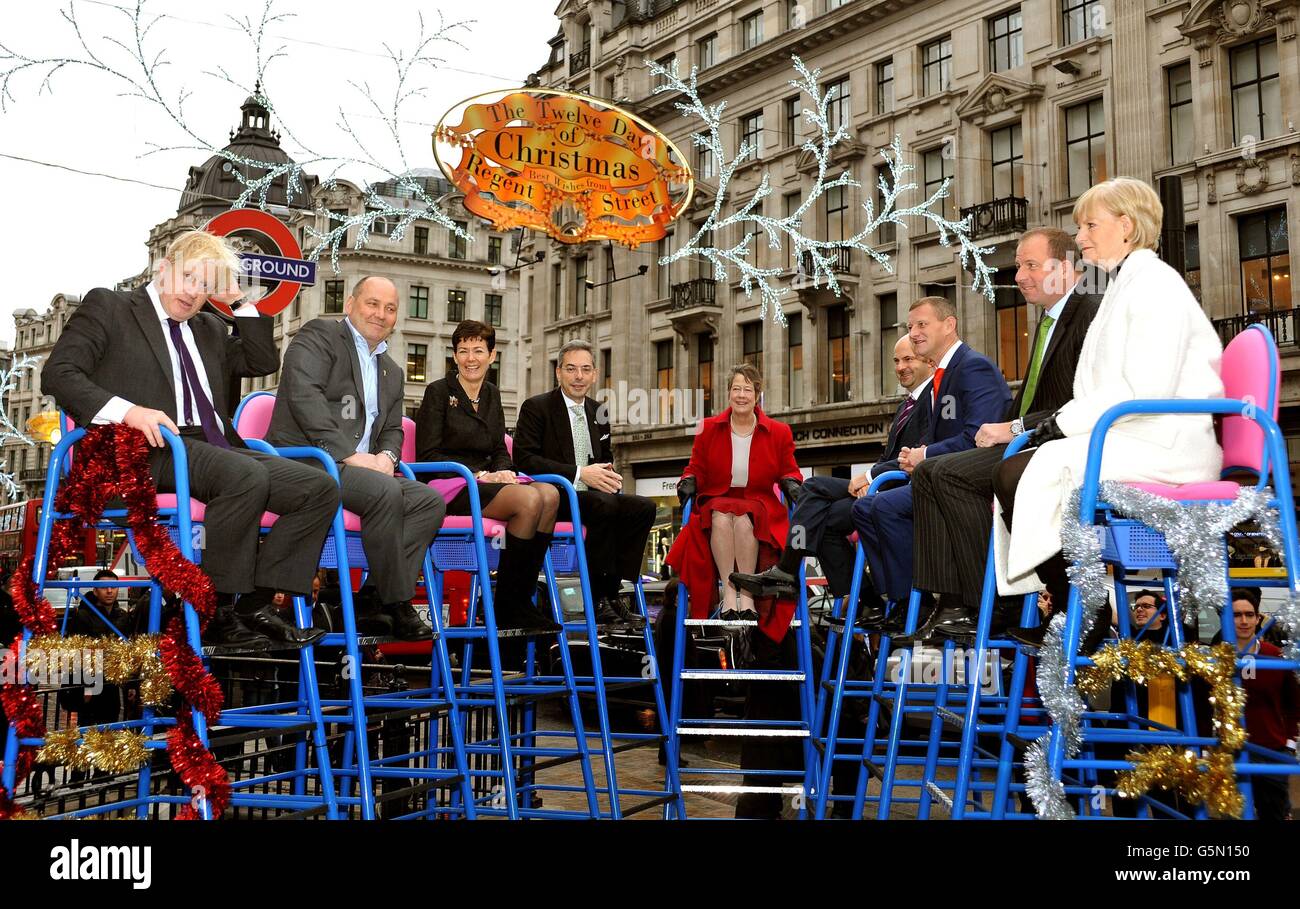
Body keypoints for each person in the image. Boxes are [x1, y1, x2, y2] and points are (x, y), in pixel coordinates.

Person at [42, 230, 334, 650]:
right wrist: (129, 411)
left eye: (206, 286)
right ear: (163, 269)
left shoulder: (210, 327)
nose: (195, 293)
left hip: (216, 447)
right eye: (189, 278)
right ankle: (214, 610)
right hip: (147, 446)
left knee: (319, 487)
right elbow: (60, 373)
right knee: (244, 475)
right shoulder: (111, 306)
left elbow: (262, 360)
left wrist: (237, 299)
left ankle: (254, 603)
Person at [990, 178, 1224, 647]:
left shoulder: (1154, 284)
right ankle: (1074, 602)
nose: (1080, 238)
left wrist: (1061, 424)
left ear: (1127, 225)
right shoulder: (1124, 284)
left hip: (1164, 439)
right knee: (1014, 471)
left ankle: (1082, 608)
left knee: (1017, 473)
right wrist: (1062, 426)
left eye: (1090, 225)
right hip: (1134, 431)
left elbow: (1144, 385)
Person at [906, 228, 1102, 643]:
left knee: (948, 474)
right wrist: (1004, 429)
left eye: (1030, 265)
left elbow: (1089, 400)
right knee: (930, 473)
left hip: (1062, 443)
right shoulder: (1049, 321)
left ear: (1064, 268)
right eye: (1018, 266)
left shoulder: (1091, 313)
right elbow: (1032, 399)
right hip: (1031, 440)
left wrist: (1012, 428)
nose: (1019, 275)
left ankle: (992, 603)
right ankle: (954, 603)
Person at [268, 275, 445, 640]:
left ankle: (372, 597)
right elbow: (305, 397)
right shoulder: (319, 336)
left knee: (428, 500)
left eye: (390, 308)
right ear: (351, 304)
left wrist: (387, 457)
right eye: (372, 303)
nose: (380, 314)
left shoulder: (392, 372)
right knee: (385, 492)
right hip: (308, 462)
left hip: (363, 473)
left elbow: (394, 428)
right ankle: (397, 603)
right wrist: (350, 455)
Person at [729, 335, 933, 620]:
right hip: (883, 484)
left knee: (814, 489)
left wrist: (871, 477)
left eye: (908, 359)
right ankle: (864, 595)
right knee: (818, 508)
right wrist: (871, 479)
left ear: (928, 359)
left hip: (901, 489)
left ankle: (788, 570)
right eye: (897, 361)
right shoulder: (905, 406)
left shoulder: (933, 399)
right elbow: (890, 456)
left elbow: (920, 456)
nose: (900, 367)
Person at [852, 296, 1012, 644]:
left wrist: (925, 454)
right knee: (865, 508)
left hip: (971, 478)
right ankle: (909, 600)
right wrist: (917, 455)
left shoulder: (972, 367)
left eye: (922, 325)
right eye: (910, 327)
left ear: (949, 325)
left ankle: (947, 601)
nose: (915, 332)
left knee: (883, 506)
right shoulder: (942, 375)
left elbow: (978, 437)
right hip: (938, 473)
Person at [416, 320, 561, 632]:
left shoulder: (492, 394)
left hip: (485, 483)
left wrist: (504, 471)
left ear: (492, 355)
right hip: (449, 483)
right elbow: (427, 455)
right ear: (454, 356)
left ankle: (521, 598)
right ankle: (507, 603)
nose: (471, 358)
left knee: (550, 494)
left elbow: (498, 447)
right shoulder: (438, 393)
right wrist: (478, 473)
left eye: (478, 351)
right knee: (527, 500)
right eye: (464, 351)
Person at [513, 339, 655, 630]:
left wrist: (608, 474)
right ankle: (599, 597)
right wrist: (579, 474)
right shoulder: (536, 408)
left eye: (585, 370)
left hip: (592, 496)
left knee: (643, 507)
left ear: (594, 374)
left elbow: (605, 458)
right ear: (558, 372)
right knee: (603, 505)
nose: (578, 376)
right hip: (553, 495)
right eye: (571, 369)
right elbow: (524, 459)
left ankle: (613, 592)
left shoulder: (598, 411)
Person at [667, 364, 802, 628]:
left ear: (757, 394)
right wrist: (688, 479)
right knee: (720, 514)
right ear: (728, 393)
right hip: (717, 500)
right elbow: (695, 467)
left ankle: (747, 596)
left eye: (747, 389)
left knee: (742, 518)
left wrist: (792, 483)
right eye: (736, 389)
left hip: (759, 502)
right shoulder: (707, 428)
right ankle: (730, 594)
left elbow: (789, 469)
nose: (741, 395)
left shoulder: (779, 431)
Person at [1225, 587, 1299, 820]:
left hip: (1271, 749)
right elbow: (1202, 705)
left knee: (1274, 812)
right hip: (1229, 749)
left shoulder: (1276, 656)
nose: (1244, 621)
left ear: (1258, 619)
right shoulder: (1215, 658)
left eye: (1249, 615)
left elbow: (1293, 703)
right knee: (1233, 815)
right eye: (1237, 615)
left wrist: (1288, 742)